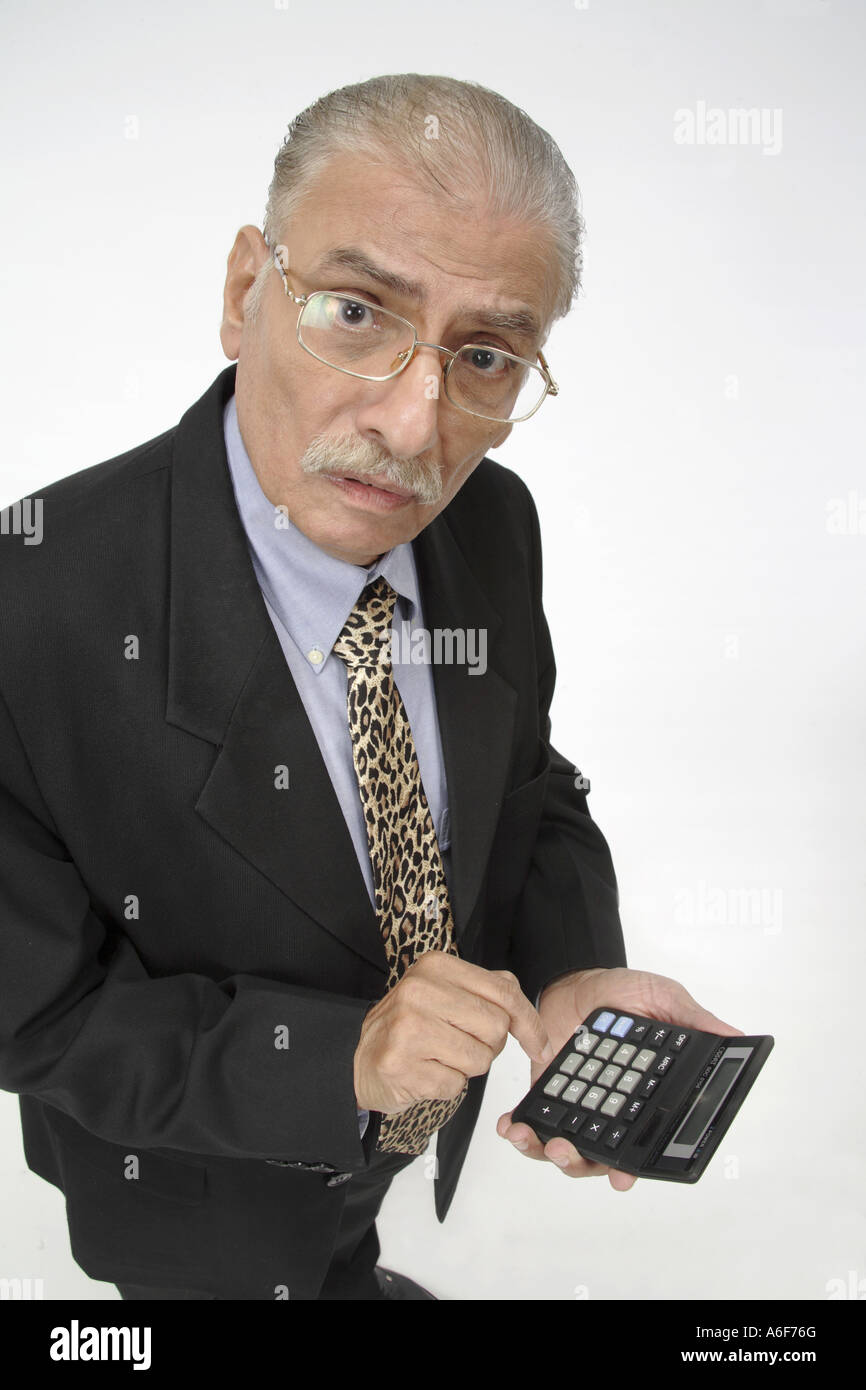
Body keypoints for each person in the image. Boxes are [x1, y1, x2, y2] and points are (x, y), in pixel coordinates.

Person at [0, 73, 741, 1301]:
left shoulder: (492, 523)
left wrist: (574, 967)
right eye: (356, 311)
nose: (414, 423)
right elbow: (40, 1014)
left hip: (376, 1172)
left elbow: (525, 784)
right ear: (247, 292)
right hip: (196, 1202)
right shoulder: (31, 605)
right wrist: (342, 1059)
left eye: (487, 355)